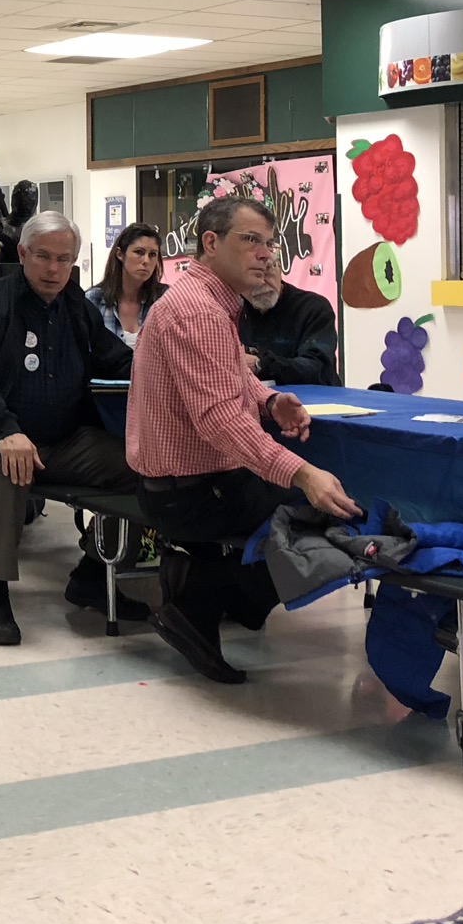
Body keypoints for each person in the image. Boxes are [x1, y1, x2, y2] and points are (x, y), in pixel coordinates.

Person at [127, 196, 361, 684]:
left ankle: (207, 594)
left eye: (270, 243)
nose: (265, 254)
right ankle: (197, 604)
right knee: (328, 517)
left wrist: (270, 400)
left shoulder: (206, 300)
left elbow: (228, 376)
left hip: (183, 484)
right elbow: (220, 421)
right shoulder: (199, 313)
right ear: (210, 243)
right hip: (192, 493)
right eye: (251, 240)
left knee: (314, 508)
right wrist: (303, 472)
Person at [0, 211, 140, 646]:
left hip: (66, 438)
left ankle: (91, 572)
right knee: (7, 469)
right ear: (23, 253)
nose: (54, 269)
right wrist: (7, 429)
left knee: (142, 465)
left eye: (65, 260)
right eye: (45, 257)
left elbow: (118, 361)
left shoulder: (76, 307)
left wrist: (165, 369)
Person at [240, 254, 341, 385]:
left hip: (316, 400)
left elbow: (317, 368)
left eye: (268, 270)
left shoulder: (313, 308)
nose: (262, 283)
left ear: (280, 269)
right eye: (252, 276)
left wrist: (259, 364)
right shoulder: (232, 310)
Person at [85, 222, 166, 348]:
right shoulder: (94, 300)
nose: (146, 261)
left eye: (152, 254)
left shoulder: (165, 299)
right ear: (120, 254)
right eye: (139, 252)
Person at [0, 172, 39, 266]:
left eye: (30, 202)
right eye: (23, 201)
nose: (27, 206)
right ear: (15, 200)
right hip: (6, 269)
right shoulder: (5, 224)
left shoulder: (37, 227)